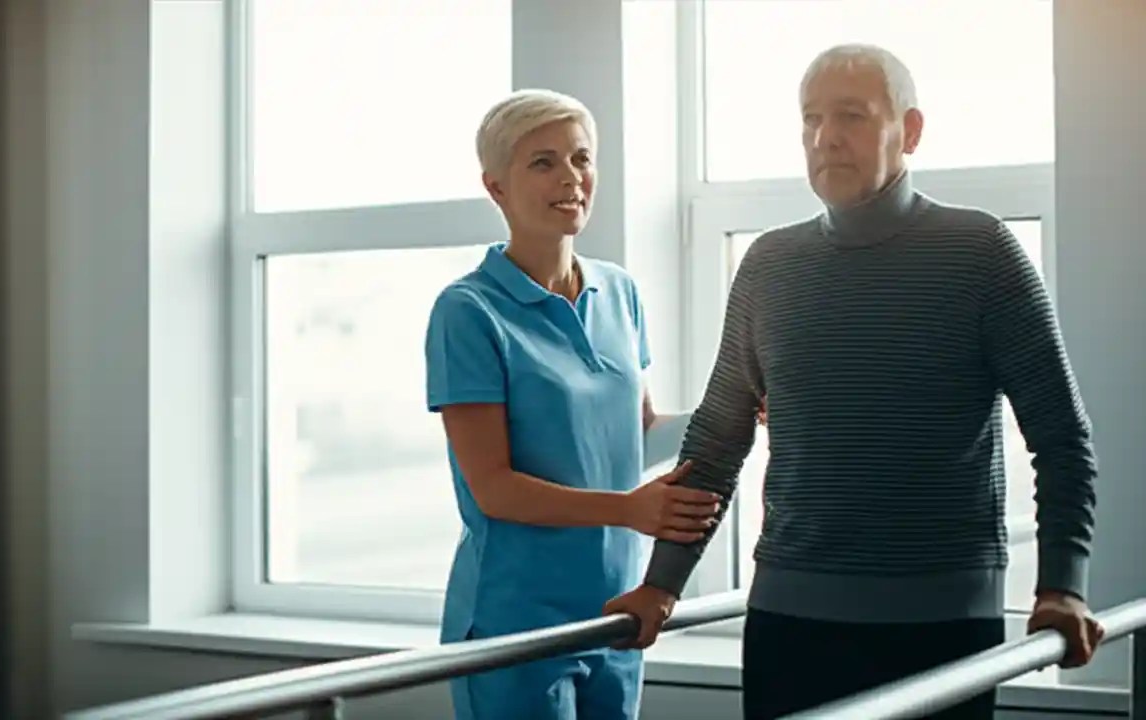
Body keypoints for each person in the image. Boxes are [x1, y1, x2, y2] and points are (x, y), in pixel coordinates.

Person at [604, 43, 1105, 719]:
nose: (824, 138)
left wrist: (1062, 586)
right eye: (810, 120)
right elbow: (717, 446)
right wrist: (661, 586)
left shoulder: (981, 253)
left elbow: (1061, 435)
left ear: (911, 131)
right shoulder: (769, 265)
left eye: (852, 117)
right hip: (790, 617)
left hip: (942, 626)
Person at [424, 89, 753, 720]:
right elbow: (494, 489)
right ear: (497, 187)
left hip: (614, 610)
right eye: (543, 162)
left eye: (582, 159)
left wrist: (741, 406)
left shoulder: (620, 291)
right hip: (516, 619)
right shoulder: (467, 312)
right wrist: (628, 509)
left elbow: (640, 432)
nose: (571, 178)